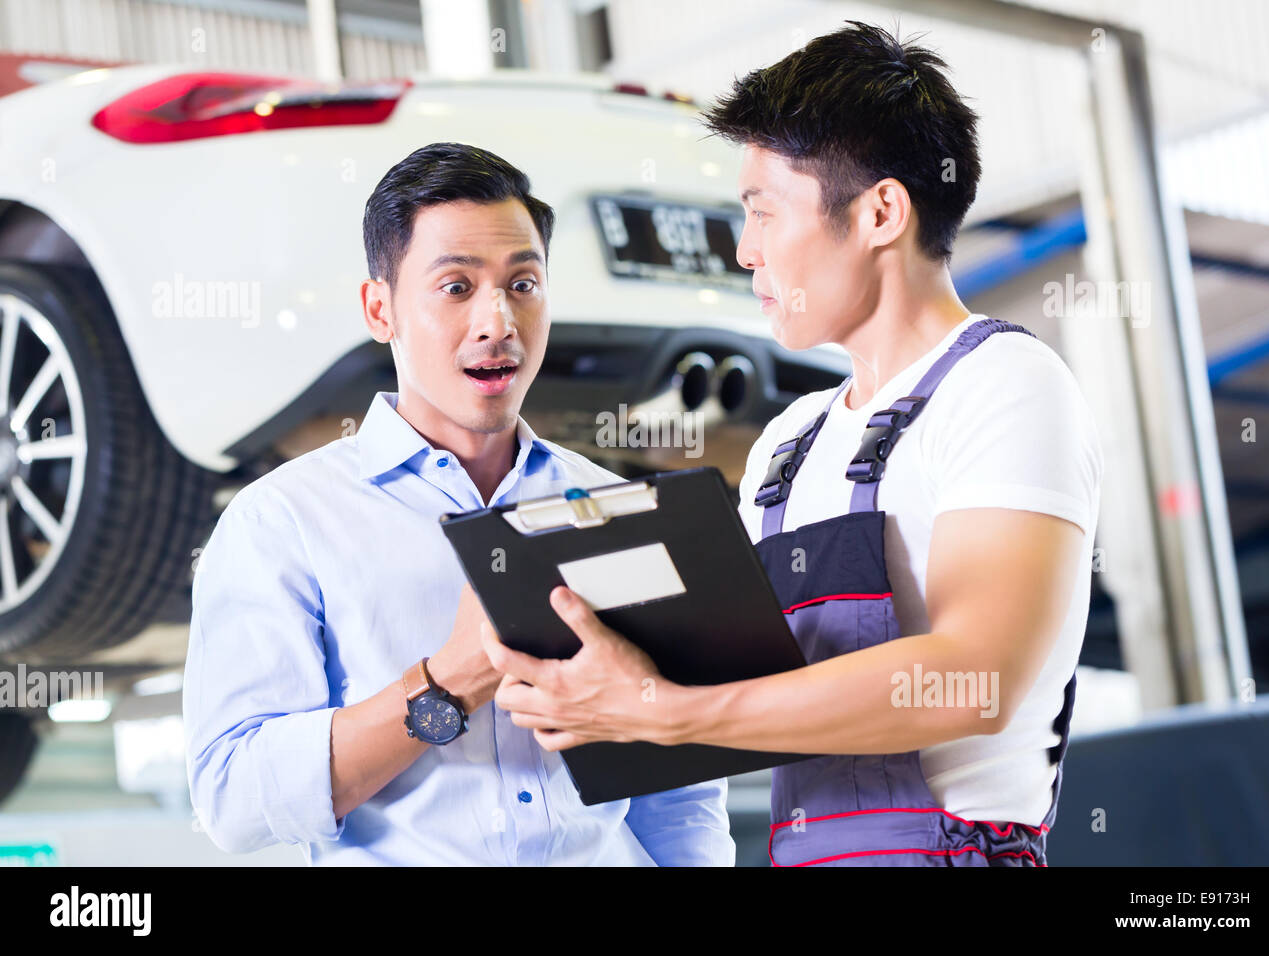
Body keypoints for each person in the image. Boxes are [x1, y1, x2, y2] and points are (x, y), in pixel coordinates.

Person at [485, 22, 1104, 867]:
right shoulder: (787, 444)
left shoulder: (1005, 386)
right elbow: (730, 683)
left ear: (881, 211)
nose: (745, 251)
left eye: (762, 212)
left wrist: (664, 711)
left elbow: (975, 679)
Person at [183, 142, 734, 866]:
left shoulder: (615, 505)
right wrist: (450, 681)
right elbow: (233, 800)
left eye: (523, 283)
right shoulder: (282, 522)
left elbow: (681, 791)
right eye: (456, 288)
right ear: (380, 309)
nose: (497, 321)